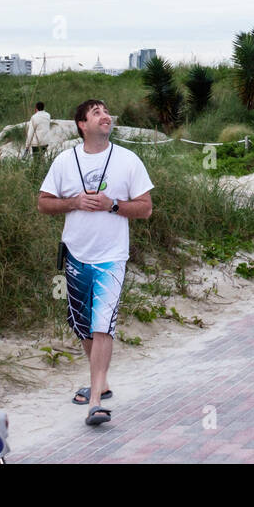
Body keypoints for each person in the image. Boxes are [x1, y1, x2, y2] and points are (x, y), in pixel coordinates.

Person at [38, 99, 153, 425]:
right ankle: (100, 382)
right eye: (96, 113)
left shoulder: (127, 160)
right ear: (82, 125)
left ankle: (96, 403)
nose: (105, 116)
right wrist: (74, 202)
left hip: (112, 257)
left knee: (103, 324)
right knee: (84, 325)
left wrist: (112, 204)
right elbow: (43, 204)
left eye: (106, 111)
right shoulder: (64, 161)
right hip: (75, 254)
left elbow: (145, 208)